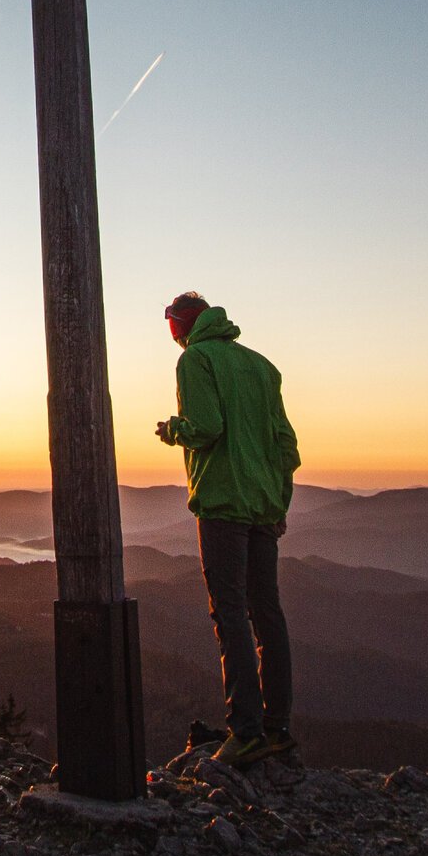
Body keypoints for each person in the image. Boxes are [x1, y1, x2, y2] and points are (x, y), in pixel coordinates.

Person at [155, 290, 300, 767]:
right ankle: (276, 729)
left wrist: (173, 429)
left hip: (222, 502)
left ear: (181, 326)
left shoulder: (196, 360)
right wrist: (279, 502)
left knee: (231, 614)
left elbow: (206, 426)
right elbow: (285, 445)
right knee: (268, 615)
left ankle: (246, 732)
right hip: (263, 503)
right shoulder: (262, 366)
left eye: (170, 323)